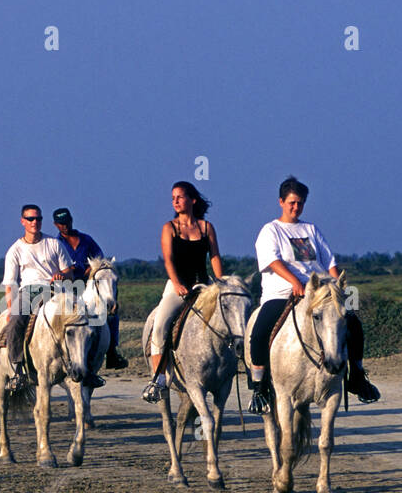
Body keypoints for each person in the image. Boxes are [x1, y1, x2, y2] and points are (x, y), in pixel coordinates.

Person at [246, 176, 380, 411]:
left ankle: (357, 376)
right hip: (282, 292)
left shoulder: (311, 229)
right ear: (281, 202)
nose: (296, 207)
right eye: (291, 203)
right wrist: (295, 282)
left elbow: (329, 262)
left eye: (300, 203)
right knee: (258, 332)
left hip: (319, 292)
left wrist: (337, 286)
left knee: (353, 324)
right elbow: (273, 261)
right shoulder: (271, 231)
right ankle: (258, 388)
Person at [0, 204, 105, 392]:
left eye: (38, 219)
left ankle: (88, 367)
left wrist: (61, 276)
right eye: (31, 219)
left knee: (86, 318)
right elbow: (10, 283)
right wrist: (10, 307)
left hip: (56, 289)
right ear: (23, 221)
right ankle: (18, 370)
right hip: (29, 291)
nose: (35, 222)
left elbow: (69, 273)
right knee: (15, 320)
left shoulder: (54, 244)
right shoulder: (15, 250)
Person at [143, 182, 226, 403]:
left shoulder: (206, 227)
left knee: (227, 318)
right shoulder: (169, 227)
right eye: (173, 198)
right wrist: (177, 283)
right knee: (160, 326)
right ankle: (158, 379)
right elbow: (168, 260)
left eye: (180, 197)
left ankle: (233, 366)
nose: (176, 201)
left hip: (203, 285)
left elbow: (215, 257)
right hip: (177, 286)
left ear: (193, 200)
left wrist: (220, 283)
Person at [51, 207, 127, 370]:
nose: (65, 226)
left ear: (72, 220)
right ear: (56, 225)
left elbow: (99, 258)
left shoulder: (86, 240)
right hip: (68, 287)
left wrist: (92, 270)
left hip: (90, 283)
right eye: (61, 224)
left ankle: (112, 351)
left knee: (110, 312)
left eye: (67, 222)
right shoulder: (56, 244)